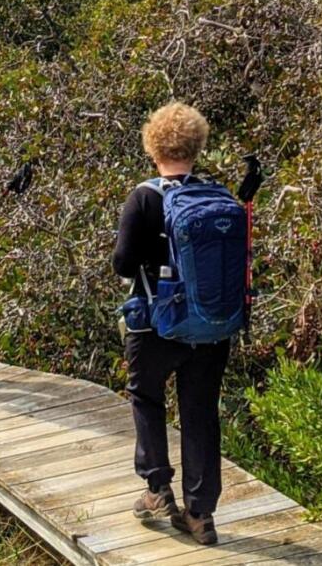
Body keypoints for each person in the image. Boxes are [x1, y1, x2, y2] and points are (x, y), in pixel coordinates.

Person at [113, 102, 230, 546]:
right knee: (200, 414)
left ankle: (157, 488)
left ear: (152, 145)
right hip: (210, 325)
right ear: (196, 145)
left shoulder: (145, 197)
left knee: (146, 397)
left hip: (156, 324)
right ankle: (201, 515)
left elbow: (123, 264)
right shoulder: (218, 195)